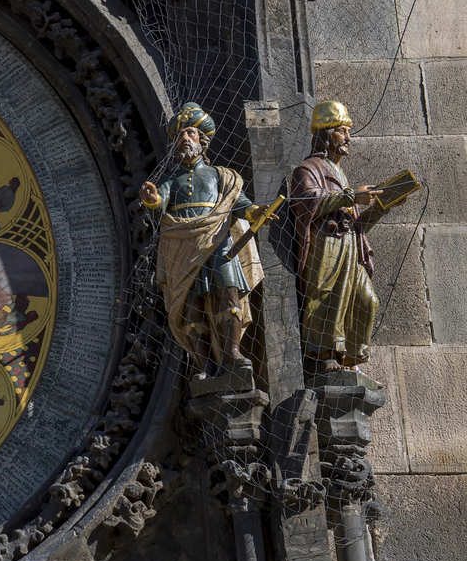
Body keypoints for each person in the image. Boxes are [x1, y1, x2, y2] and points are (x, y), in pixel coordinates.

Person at [140, 102, 274, 380]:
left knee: (229, 293)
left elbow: (241, 205)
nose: (185, 139)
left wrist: (256, 212)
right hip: (183, 246)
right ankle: (204, 364)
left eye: (190, 133)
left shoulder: (221, 176)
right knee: (190, 304)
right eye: (180, 135)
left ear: (203, 139)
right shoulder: (170, 178)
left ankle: (232, 353)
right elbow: (160, 202)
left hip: (219, 243)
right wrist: (152, 199)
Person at [288, 101, 383, 373]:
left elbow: (356, 224)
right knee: (327, 297)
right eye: (342, 131)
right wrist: (351, 196)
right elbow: (307, 200)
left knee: (366, 300)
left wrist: (381, 206)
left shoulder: (340, 173)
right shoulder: (307, 169)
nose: (348, 138)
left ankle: (350, 358)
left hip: (349, 248)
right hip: (326, 246)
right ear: (327, 134)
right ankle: (322, 357)